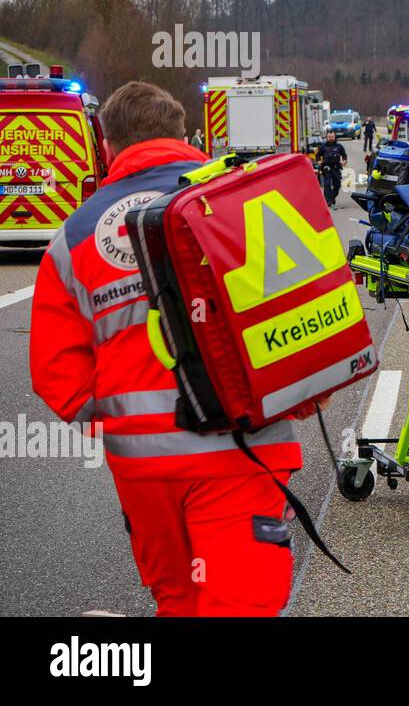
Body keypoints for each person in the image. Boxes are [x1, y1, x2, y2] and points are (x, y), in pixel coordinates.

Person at [30, 81, 303, 616]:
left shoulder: (73, 236)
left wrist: (121, 416)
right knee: (239, 602)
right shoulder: (242, 200)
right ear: (185, 137)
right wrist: (301, 393)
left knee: (177, 597)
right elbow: (302, 313)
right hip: (241, 445)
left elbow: (55, 371)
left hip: (144, 467)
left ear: (107, 147)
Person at [315, 130, 347, 208]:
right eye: (329, 137)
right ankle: (328, 201)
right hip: (326, 168)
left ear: (335, 137)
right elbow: (317, 155)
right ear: (326, 137)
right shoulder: (323, 146)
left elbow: (344, 155)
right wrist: (319, 161)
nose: (331, 138)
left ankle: (332, 197)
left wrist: (344, 161)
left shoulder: (339, 146)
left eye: (332, 137)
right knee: (327, 184)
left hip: (336, 167)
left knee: (337, 185)